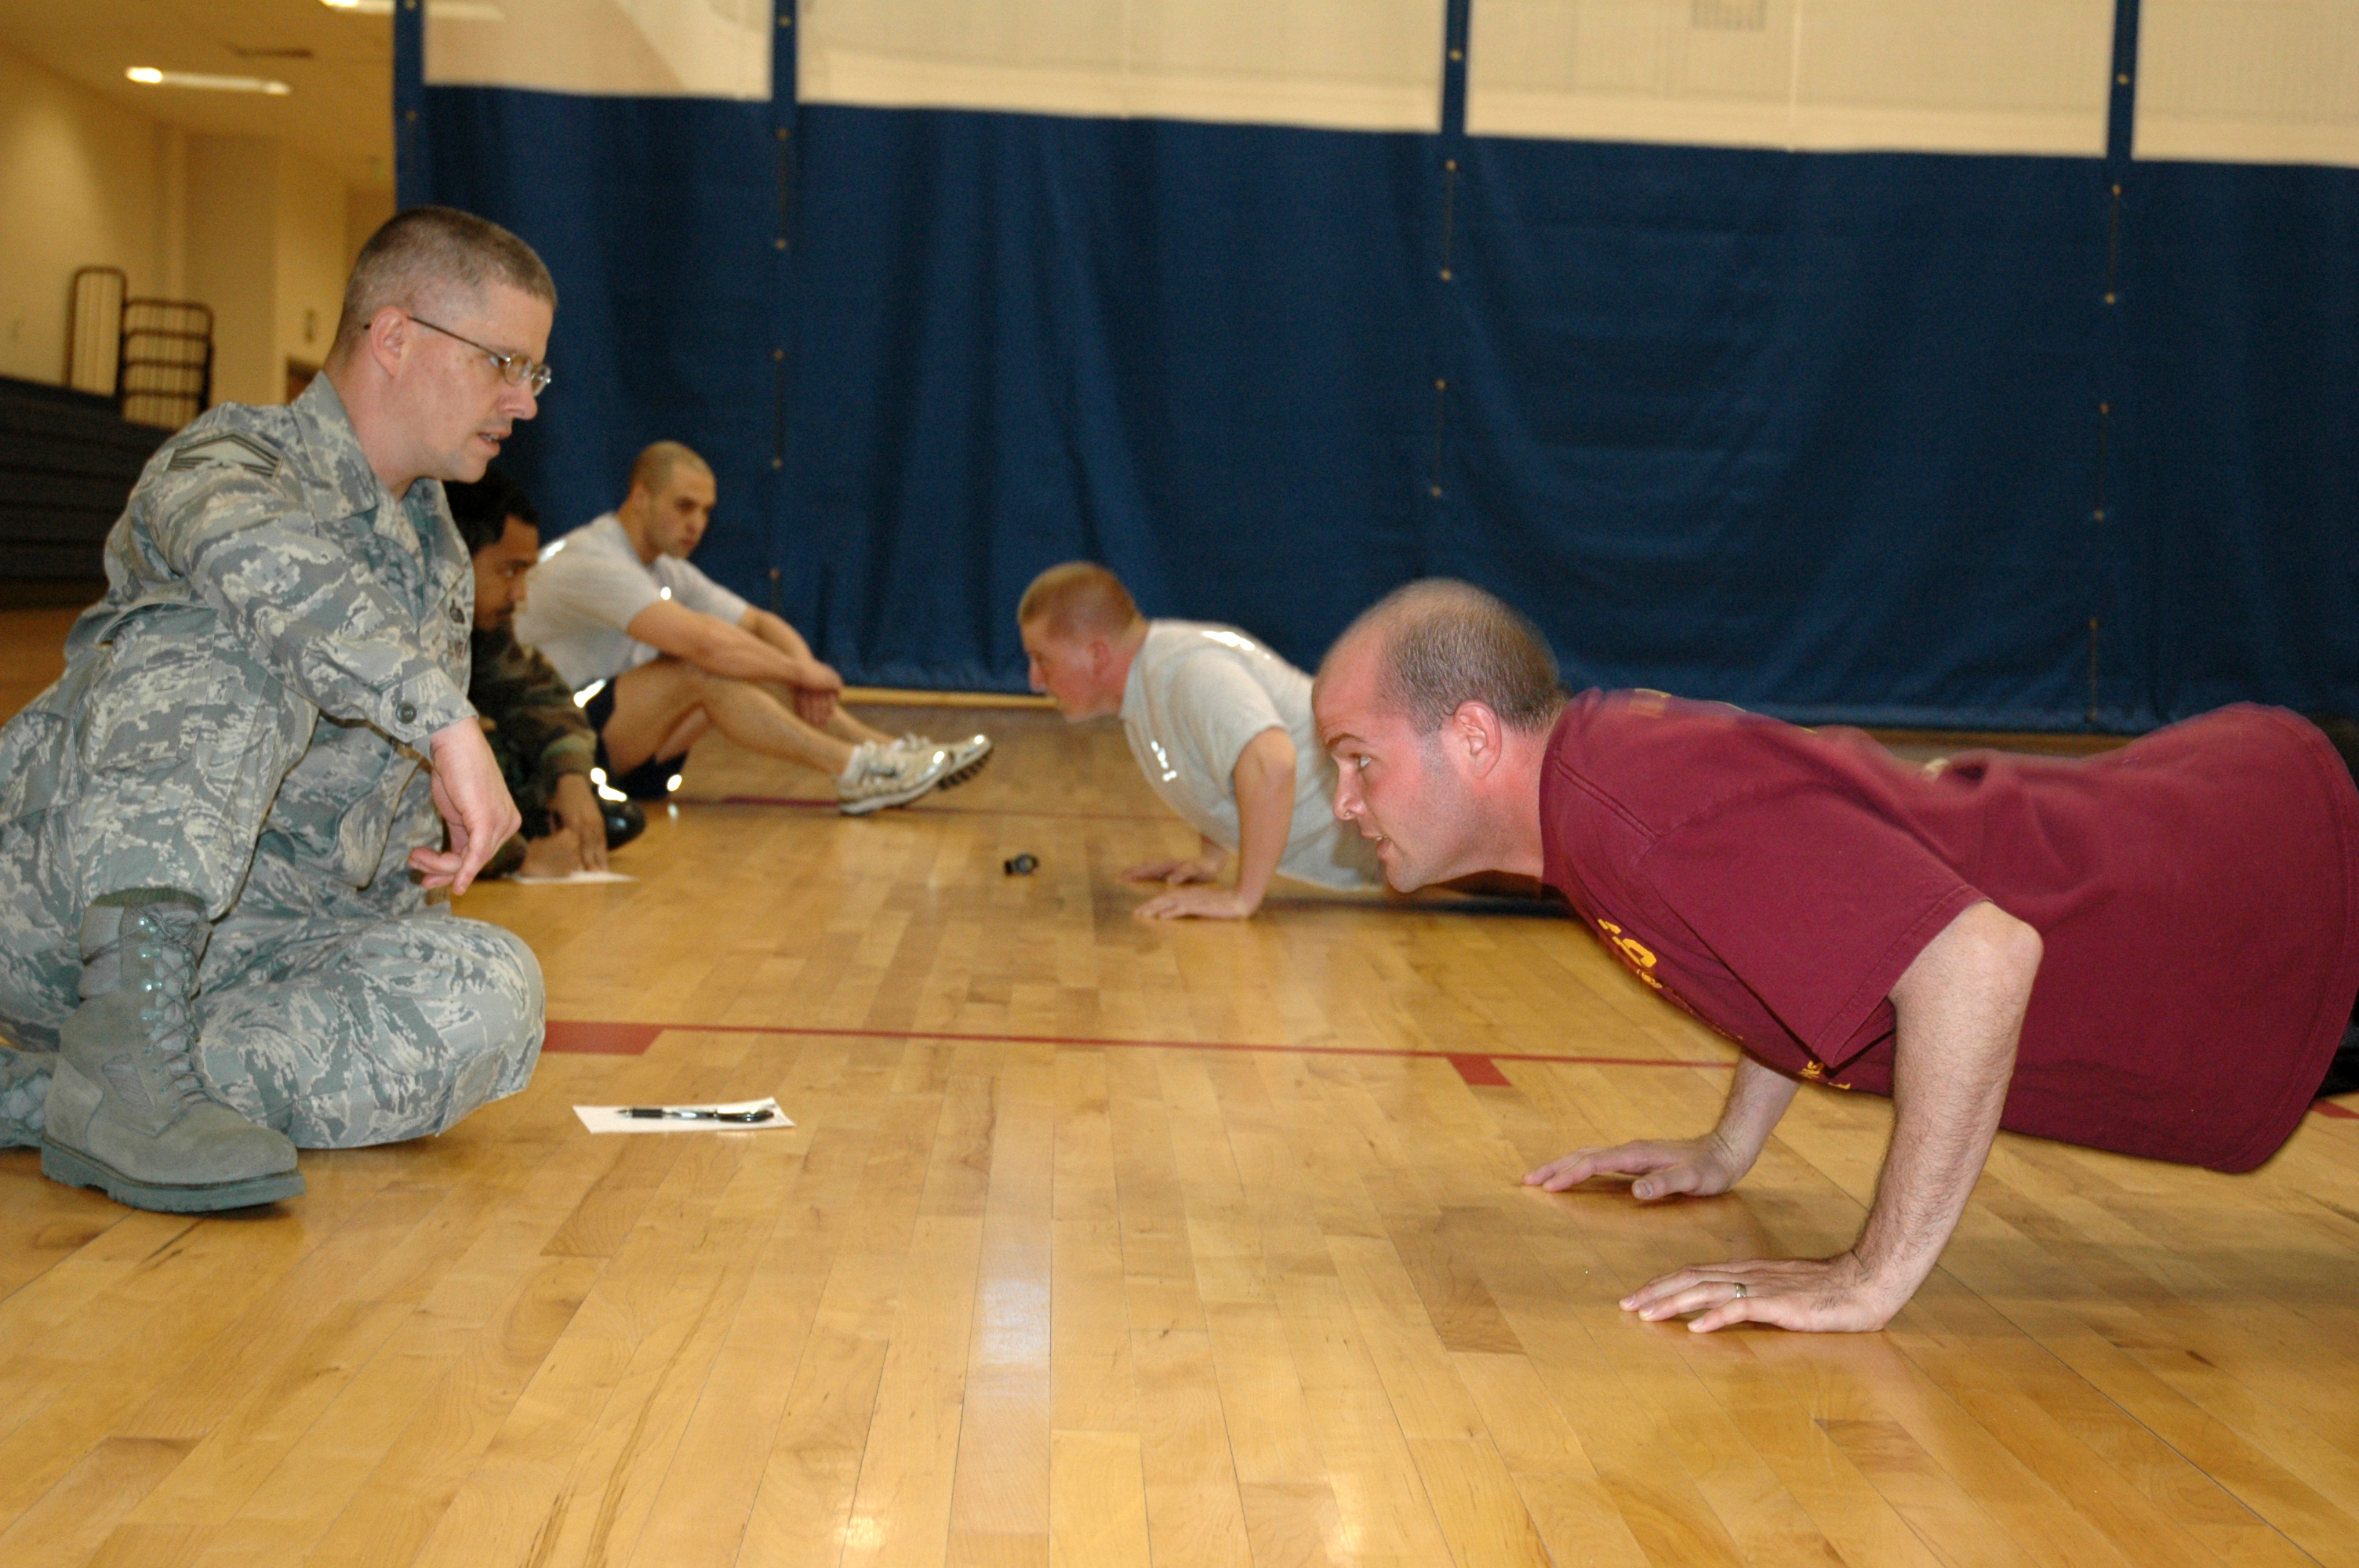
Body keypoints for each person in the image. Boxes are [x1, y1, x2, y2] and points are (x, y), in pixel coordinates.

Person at [1312, 579, 2359, 1334]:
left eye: (1361, 762)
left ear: (1476, 737)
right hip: (2264, 879)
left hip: (2296, 892)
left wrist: (1870, 1276)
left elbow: (1979, 962)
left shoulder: (1637, 815)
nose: (1349, 804)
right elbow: (1812, 937)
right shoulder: (1598, 801)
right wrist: (1728, 1147)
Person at [0, 205, 554, 1212]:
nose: (522, 403)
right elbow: (264, 569)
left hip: (244, 962)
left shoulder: (434, 554)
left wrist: (407, 863)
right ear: (395, 337)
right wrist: (445, 717)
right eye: (502, 364)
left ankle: (66, 1097)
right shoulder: (230, 461)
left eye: (535, 375)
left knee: (494, 988)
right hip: (61, 913)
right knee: (235, 639)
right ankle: (118, 1052)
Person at [513, 442, 990, 814]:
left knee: (738, 659)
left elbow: (759, 623)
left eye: (705, 511)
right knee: (704, 667)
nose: (696, 524)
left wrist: (799, 668)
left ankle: (889, 754)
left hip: (608, 744)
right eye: (684, 506)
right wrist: (799, 675)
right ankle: (855, 770)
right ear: (640, 497)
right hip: (549, 747)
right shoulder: (594, 560)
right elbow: (702, 642)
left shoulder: (663, 568)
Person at [1018, 561, 1380, 918]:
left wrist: (1242, 899)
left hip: (1424, 841)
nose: (1035, 680)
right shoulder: (1149, 684)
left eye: (1042, 659)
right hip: (1392, 860)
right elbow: (1214, 760)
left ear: (1097, 654)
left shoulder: (1189, 671)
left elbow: (1273, 764)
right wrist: (1212, 857)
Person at [446, 466, 645, 880]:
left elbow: (542, 697)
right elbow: (409, 787)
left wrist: (570, 776)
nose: (519, 595)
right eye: (507, 571)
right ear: (453, 560)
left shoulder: (483, 629)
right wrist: (519, 858)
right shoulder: (404, 631)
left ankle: (542, 816)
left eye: (526, 573)